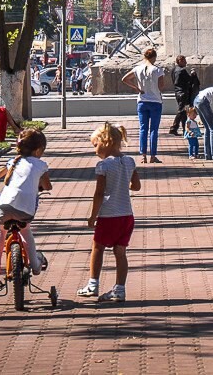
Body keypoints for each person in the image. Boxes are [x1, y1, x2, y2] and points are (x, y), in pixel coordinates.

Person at [78, 122, 141, 302]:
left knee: (97, 247)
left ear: (106, 142)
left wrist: (92, 216)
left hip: (108, 214)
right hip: (126, 215)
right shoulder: (129, 161)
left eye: (95, 145)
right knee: (120, 252)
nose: (95, 149)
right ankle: (119, 289)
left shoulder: (103, 166)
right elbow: (136, 186)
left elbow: (99, 193)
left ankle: (93, 284)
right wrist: (124, 182)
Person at [0, 129, 51, 276]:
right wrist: (40, 186)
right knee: (26, 231)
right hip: (25, 210)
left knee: (0, 230)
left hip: (4, 205)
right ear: (38, 150)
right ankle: (35, 264)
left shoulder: (13, 162)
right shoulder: (41, 165)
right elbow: (47, 186)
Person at [121, 48, 166, 164]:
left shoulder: (137, 68)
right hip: (156, 102)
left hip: (142, 101)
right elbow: (161, 87)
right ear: (154, 57)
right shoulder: (158, 70)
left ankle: (143, 155)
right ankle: (153, 155)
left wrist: (136, 88)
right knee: (154, 130)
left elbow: (124, 79)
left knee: (143, 129)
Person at [169, 56, 200, 135]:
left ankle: (184, 128)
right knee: (182, 110)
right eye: (184, 61)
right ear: (180, 61)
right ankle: (174, 128)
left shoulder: (174, 69)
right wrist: (193, 74)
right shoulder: (182, 71)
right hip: (183, 93)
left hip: (177, 92)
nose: (186, 63)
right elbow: (189, 80)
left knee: (184, 111)